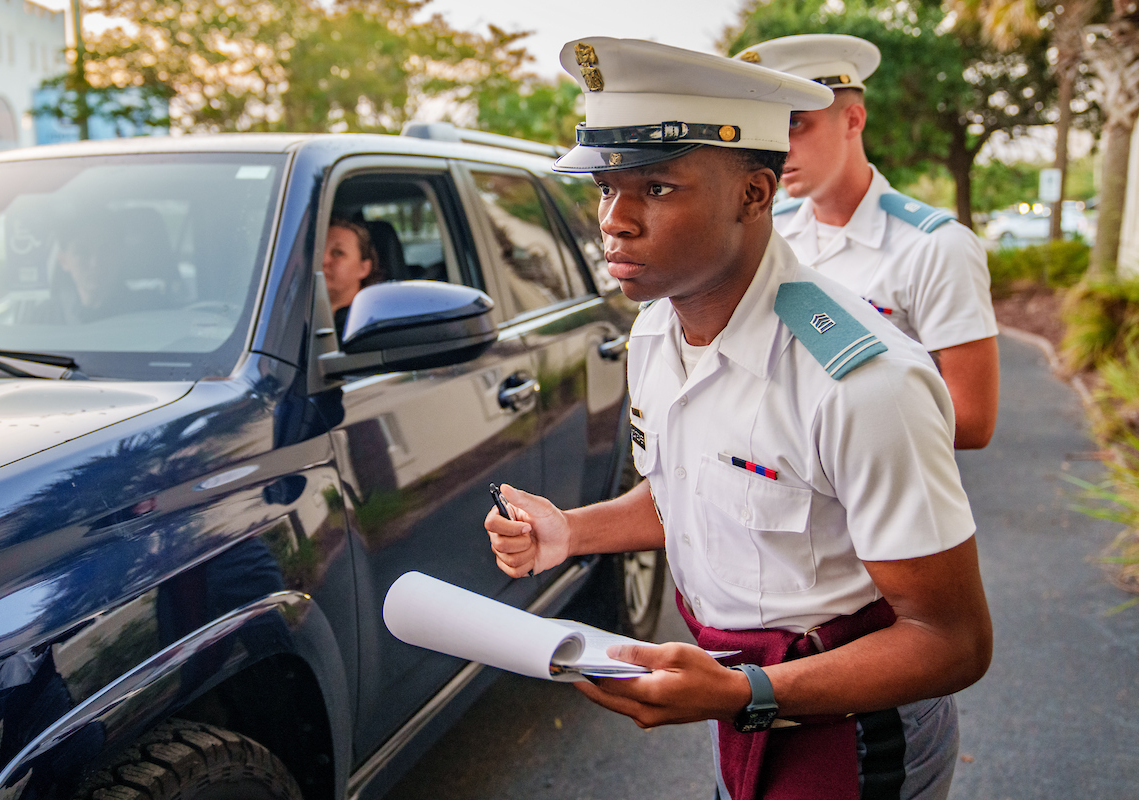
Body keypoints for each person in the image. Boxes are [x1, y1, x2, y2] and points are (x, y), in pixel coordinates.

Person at [484, 37, 992, 800]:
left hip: (852, 729)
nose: (614, 222)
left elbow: (952, 642)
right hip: (740, 698)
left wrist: (749, 694)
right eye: (604, 189)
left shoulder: (861, 383)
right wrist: (573, 531)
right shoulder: (656, 330)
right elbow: (691, 485)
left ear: (755, 196)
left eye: (655, 188)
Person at [735, 35, 999, 450]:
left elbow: (971, 421)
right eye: (765, 130)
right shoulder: (766, 233)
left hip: (876, 505)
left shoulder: (935, 246)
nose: (777, 147)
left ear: (853, 120)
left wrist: (800, 440)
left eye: (795, 123)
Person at [322, 219, 380, 338]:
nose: (323, 260)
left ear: (364, 268)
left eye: (338, 253)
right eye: (319, 251)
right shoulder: (294, 317)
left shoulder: (373, 325)